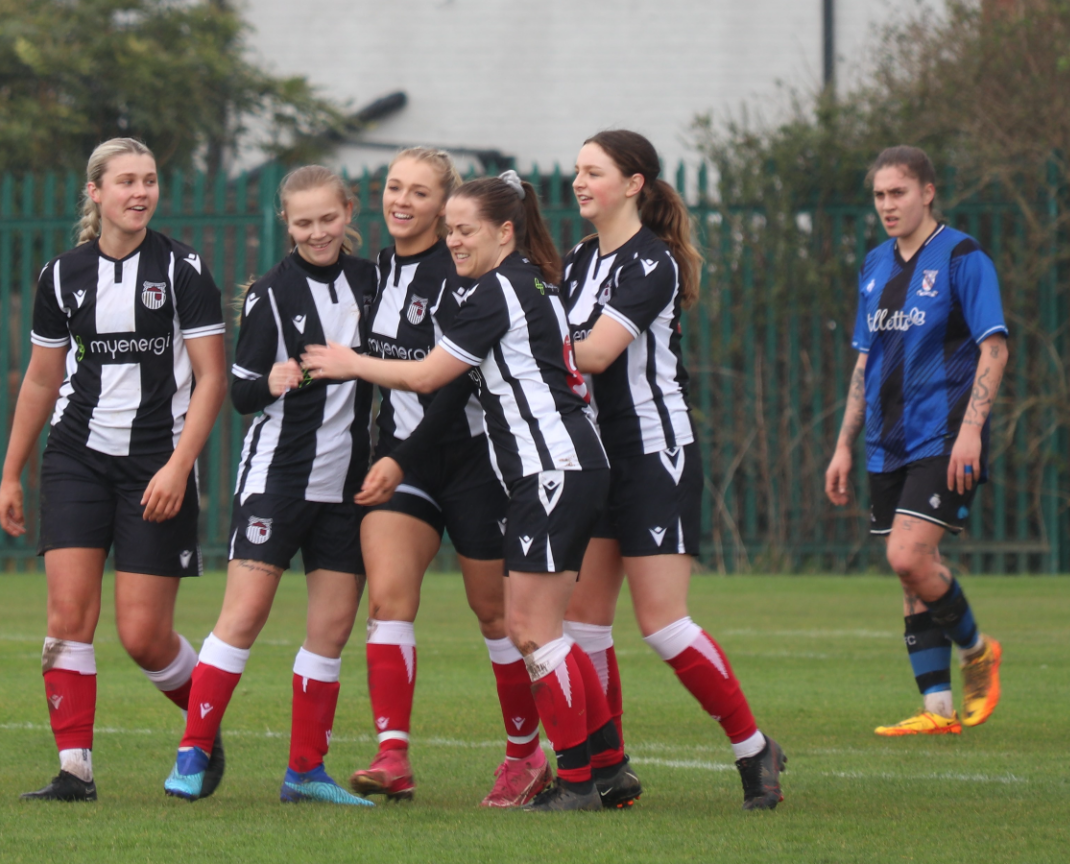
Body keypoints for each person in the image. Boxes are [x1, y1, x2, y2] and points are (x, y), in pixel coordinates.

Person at [304, 170, 615, 812]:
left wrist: (350, 362)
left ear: (505, 231)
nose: (454, 242)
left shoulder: (495, 291)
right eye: (450, 232)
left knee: (531, 629)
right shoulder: (524, 278)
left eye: (464, 229)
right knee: (541, 629)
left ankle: (581, 780)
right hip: (554, 464)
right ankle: (601, 770)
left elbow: (427, 377)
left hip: (548, 465)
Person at [0, 137, 228, 802]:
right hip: (77, 458)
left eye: (149, 180)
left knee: (143, 636)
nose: (140, 193)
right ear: (95, 193)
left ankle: (203, 729)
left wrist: (180, 466)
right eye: (126, 181)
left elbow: (211, 378)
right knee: (68, 614)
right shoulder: (62, 275)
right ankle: (75, 771)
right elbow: (42, 381)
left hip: (160, 463)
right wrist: (12, 474)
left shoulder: (183, 268)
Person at [560, 130, 785, 810]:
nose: (579, 182)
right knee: (581, 625)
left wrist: (519, 340)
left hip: (655, 453)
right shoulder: (574, 261)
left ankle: (754, 749)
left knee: (661, 623)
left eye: (593, 171)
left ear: (633, 184)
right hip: (594, 458)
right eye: (577, 170)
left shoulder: (651, 262)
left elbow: (595, 354)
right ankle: (610, 769)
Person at [344, 148, 554, 808]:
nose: (401, 200)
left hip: (470, 462)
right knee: (388, 600)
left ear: (446, 207)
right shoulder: (377, 272)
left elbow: (448, 385)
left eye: (420, 192)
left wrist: (400, 456)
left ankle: (526, 755)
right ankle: (393, 754)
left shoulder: (462, 274)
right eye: (393, 187)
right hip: (400, 462)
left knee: (495, 615)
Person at [163, 165, 376, 806]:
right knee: (245, 615)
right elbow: (241, 390)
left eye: (328, 219)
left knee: (333, 627)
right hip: (278, 479)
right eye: (303, 222)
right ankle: (193, 752)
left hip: (348, 483)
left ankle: (305, 772)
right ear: (286, 223)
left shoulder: (374, 280)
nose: (317, 232)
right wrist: (276, 380)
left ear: (347, 211)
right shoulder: (272, 294)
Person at [825, 145, 1006, 737]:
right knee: (910, 573)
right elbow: (863, 361)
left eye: (897, 192)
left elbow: (994, 348)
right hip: (884, 441)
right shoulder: (875, 265)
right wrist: (844, 444)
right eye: (879, 195)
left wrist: (972, 431)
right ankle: (938, 709)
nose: (887, 205)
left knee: (906, 555)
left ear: (927, 192)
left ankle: (978, 650)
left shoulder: (963, 257)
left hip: (944, 437)